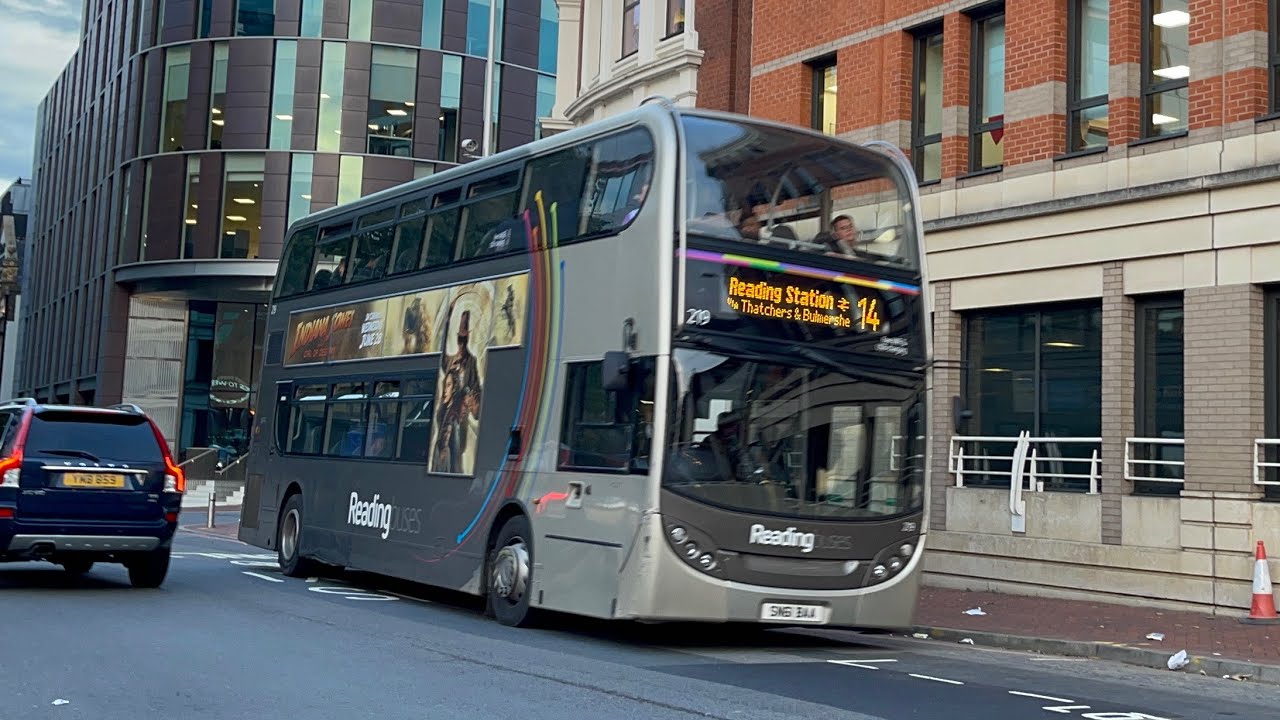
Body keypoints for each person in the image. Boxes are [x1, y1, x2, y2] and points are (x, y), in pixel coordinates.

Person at [432, 309, 483, 474]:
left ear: (467, 337)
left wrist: (471, 401)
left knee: (454, 458)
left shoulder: (472, 362)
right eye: (459, 336)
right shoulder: (450, 360)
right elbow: (440, 354)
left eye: (464, 335)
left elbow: (476, 391)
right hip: (444, 415)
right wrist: (447, 319)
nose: (461, 340)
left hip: (458, 420)